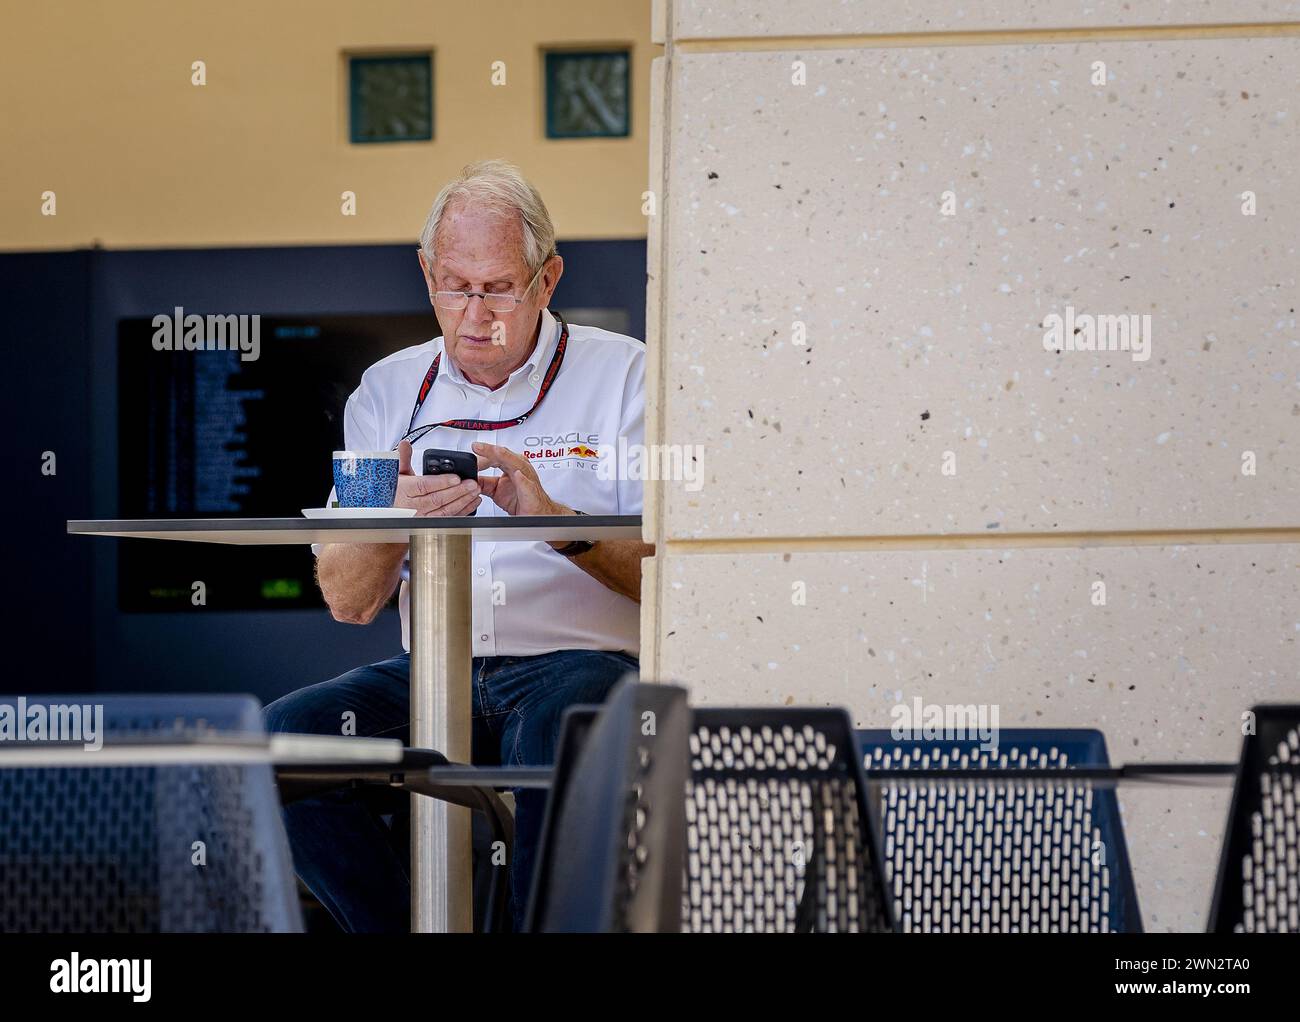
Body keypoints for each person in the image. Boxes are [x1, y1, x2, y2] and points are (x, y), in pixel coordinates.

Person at [265, 159, 651, 932]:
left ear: (548, 279)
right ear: (425, 274)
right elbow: (348, 599)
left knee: (559, 729)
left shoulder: (627, 375)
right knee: (276, 747)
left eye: (499, 287)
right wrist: (390, 519)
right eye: (454, 285)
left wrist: (551, 518)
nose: (475, 314)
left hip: (576, 664)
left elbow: (665, 579)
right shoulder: (388, 388)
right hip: (432, 670)